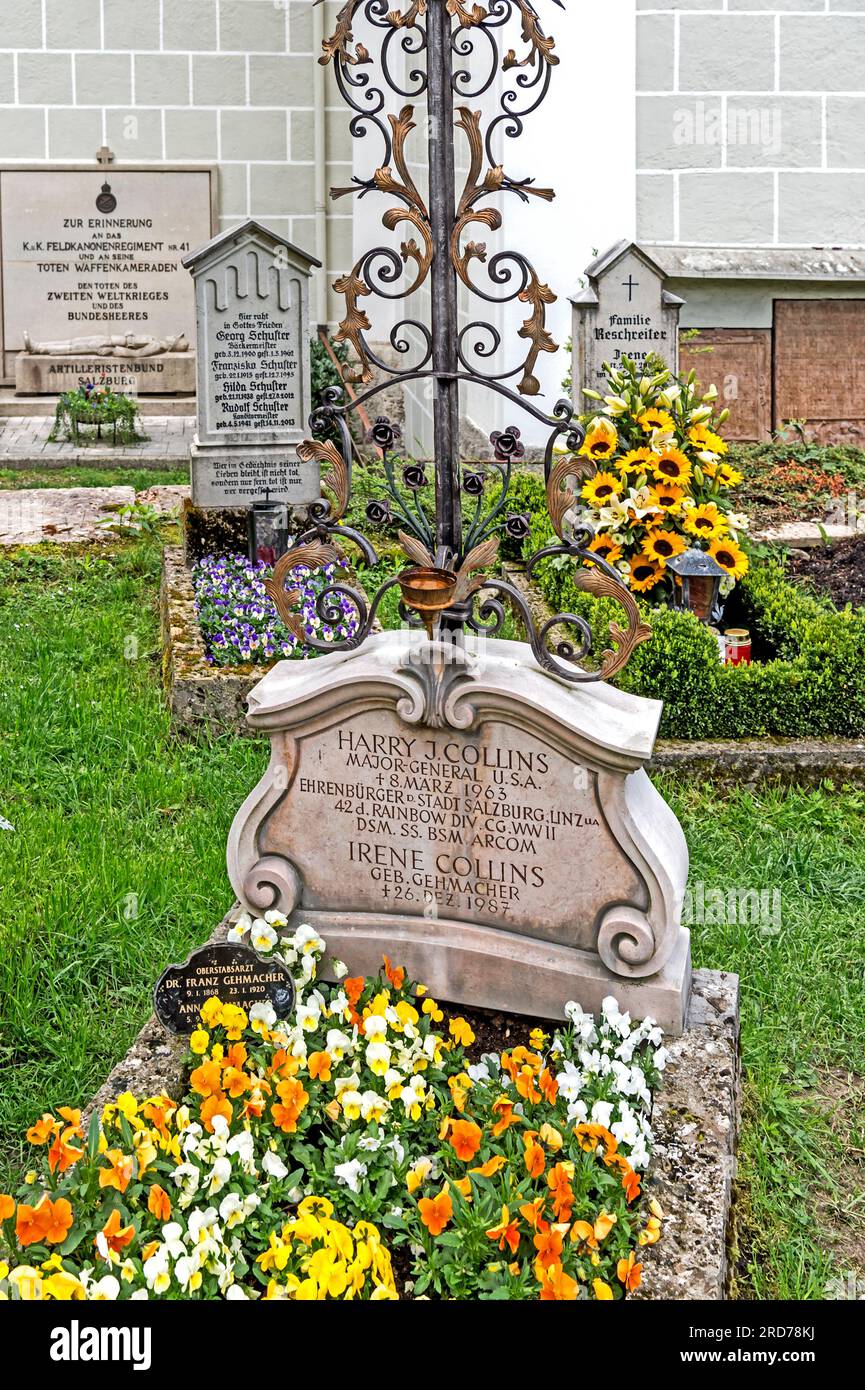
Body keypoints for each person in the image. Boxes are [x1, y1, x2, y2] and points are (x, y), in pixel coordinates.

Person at [22, 330, 189, 357]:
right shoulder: (157, 341)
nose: (172, 335)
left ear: (172, 343)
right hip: (109, 338)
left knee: (73, 347)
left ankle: (38, 348)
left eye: (175, 337)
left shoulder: (157, 346)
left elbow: (136, 354)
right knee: (74, 341)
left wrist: (112, 350)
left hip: (109, 344)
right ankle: (37, 345)